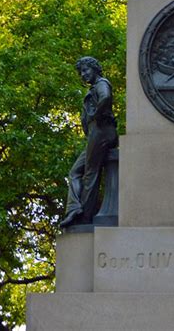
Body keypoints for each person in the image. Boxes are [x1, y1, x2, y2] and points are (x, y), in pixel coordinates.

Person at [60, 57, 117, 228]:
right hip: (95, 132)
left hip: (101, 131)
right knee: (75, 172)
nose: (83, 74)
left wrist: (96, 115)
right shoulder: (95, 87)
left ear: (95, 68)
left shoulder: (101, 83)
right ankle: (74, 209)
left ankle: (83, 217)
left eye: (86, 70)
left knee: (90, 173)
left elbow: (105, 97)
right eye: (81, 72)